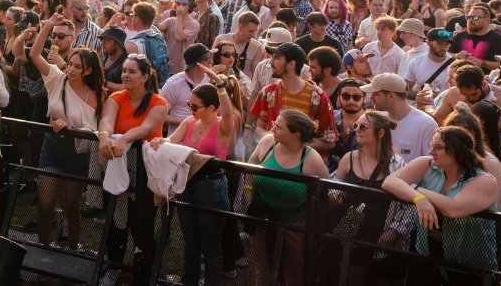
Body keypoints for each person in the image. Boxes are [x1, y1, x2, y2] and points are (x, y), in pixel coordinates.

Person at [381, 126, 499, 284]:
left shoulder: (484, 180)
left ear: (457, 150)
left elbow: (454, 209)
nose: (431, 151)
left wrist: (418, 189)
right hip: (426, 251)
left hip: (467, 265)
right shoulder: (427, 165)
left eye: (438, 147)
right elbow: (390, 181)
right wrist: (418, 199)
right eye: (431, 145)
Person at [153, 77, 235, 286]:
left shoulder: (222, 126)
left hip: (212, 186)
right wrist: (160, 141)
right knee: (190, 241)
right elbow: (171, 141)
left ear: (211, 108)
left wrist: (221, 88)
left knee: (210, 243)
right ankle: (189, 281)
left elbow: (228, 114)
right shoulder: (189, 122)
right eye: (189, 104)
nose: (190, 109)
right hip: (187, 184)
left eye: (194, 106)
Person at [96, 54, 167, 274]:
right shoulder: (116, 97)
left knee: (141, 221)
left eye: (132, 71)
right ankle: (114, 266)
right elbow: (107, 120)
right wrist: (104, 137)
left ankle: (145, 270)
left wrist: (124, 139)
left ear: (145, 77)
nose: (125, 75)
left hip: (145, 171)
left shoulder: (158, 102)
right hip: (117, 163)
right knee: (115, 217)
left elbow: (146, 128)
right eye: (124, 70)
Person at [29, 41, 103, 250]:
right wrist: (47, 27)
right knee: (45, 205)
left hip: (76, 152)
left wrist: (69, 126)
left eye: (77, 66)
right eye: (70, 64)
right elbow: (34, 54)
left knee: (71, 207)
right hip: (52, 146)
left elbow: (93, 129)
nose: (71, 69)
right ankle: (42, 248)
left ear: (88, 71)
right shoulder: (57, 79)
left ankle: (72, 250)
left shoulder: (93, 94)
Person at [245, 109, 329, 286]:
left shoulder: (311, 159)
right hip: (263, 220)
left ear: (295, 134)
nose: (272, 129)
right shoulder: (267, 143)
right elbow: (251, 165)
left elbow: (324, 193)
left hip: (295, 227)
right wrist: (248, 191)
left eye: (278, 127)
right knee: (263, 271)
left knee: (294, 275)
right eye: (274, 124)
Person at [329, 109, 406, 284]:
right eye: (356, 125)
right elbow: (334, 186)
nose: (356, 129)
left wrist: (394, 231)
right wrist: (333, 194)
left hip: (383, 239)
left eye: (363, 127)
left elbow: (405, 206)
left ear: (380, 133)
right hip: (352, 235)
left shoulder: (397, 164)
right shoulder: (348, 158)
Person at [248, 42, 337, 154]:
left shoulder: (318, 97)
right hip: (274, 158)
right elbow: (259, 129)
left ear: (291, 64)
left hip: (304, 162)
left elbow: (330, 142)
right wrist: (274, 139)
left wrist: (296, 145)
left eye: (276, 58)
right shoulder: (268, 92)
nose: (270, 62)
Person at [363, 73, 437, 162]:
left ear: (391, 96)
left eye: (376, 94)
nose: (371, 98)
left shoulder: (426, 124)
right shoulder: (376, 118)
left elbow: (432, 163)